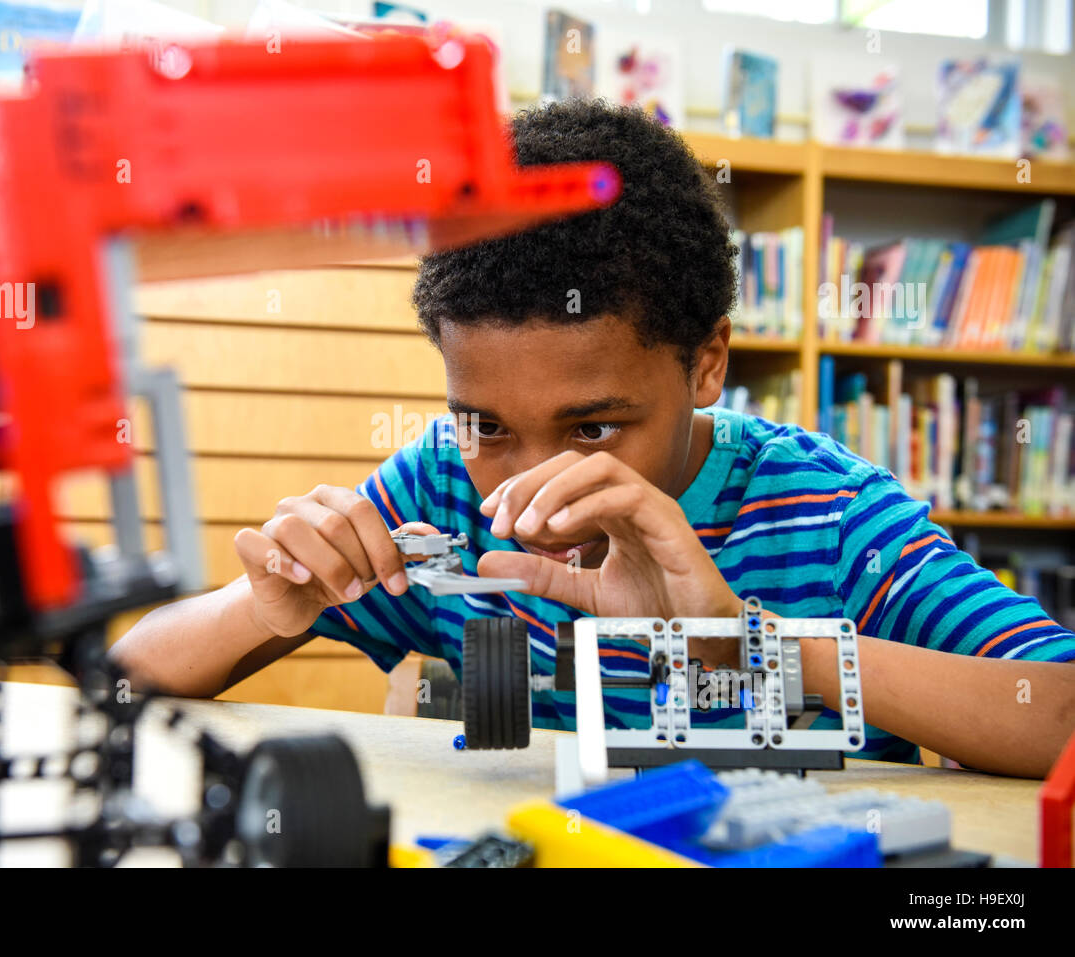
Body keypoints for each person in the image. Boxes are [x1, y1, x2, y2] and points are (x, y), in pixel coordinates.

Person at [112, 98, 1075, 779]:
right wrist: (263, 606)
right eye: (486, 421)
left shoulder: (828, 515)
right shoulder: (440, 492)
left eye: (593, 427)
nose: (533, 488)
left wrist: (759, 647)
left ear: (705, 365)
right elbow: (130, 679)